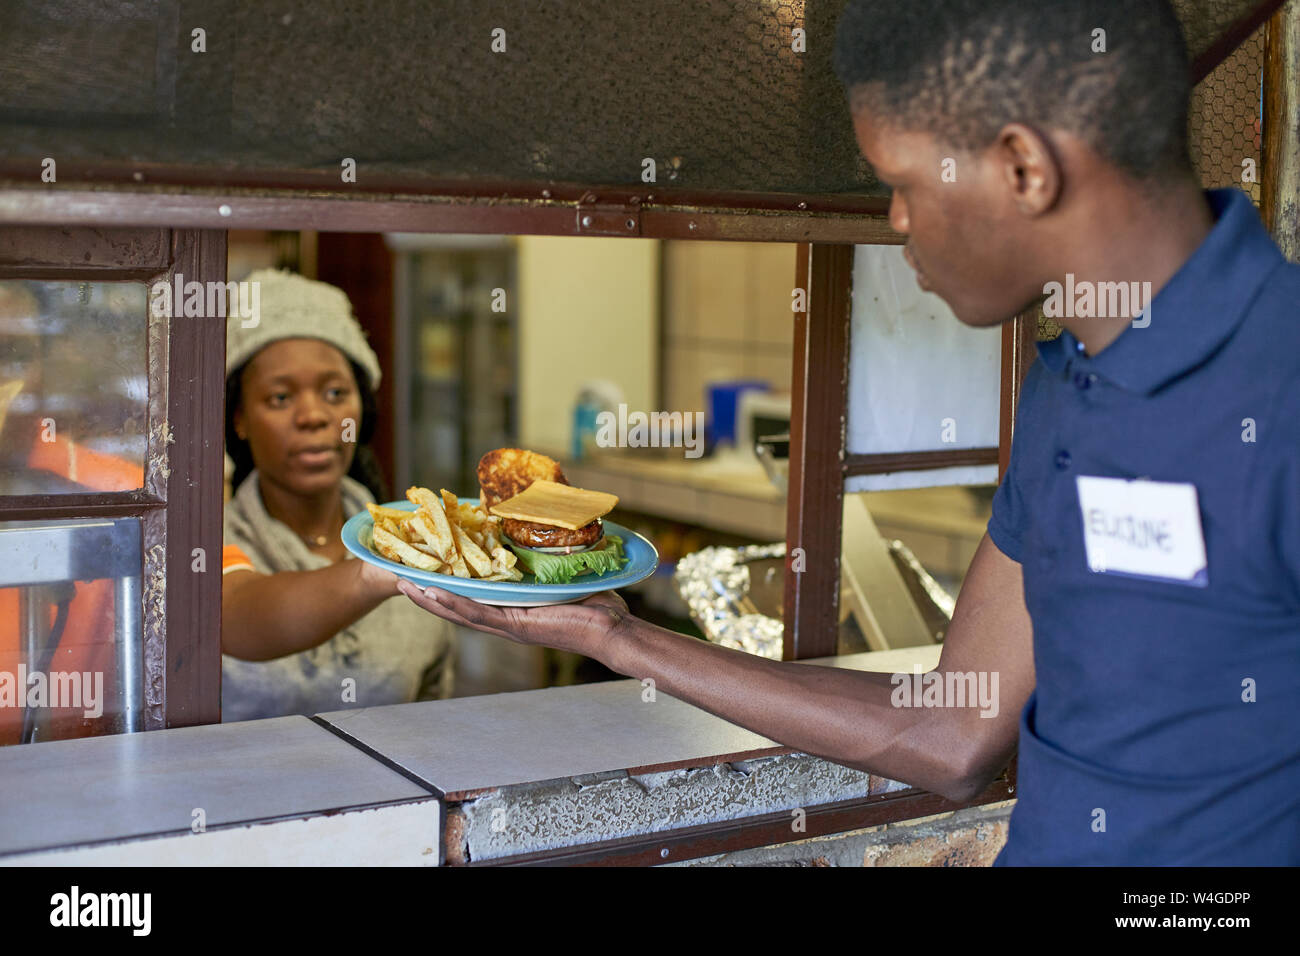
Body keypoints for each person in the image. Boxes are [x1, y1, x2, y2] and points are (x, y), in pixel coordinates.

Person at [397, 0, 1300, 865]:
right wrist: (616, 637)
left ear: (1024, 167)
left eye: (904, 185)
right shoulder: (1068, 391)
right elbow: (950, 731)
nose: (896, 223)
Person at [221, 269, 456, 721]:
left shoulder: (417, 537)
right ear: (240, 419)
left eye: (334, 392)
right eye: (280, 398)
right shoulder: (211, 543)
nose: (313, 416)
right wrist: (378, 572)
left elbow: (434, 714)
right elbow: (236, 612)